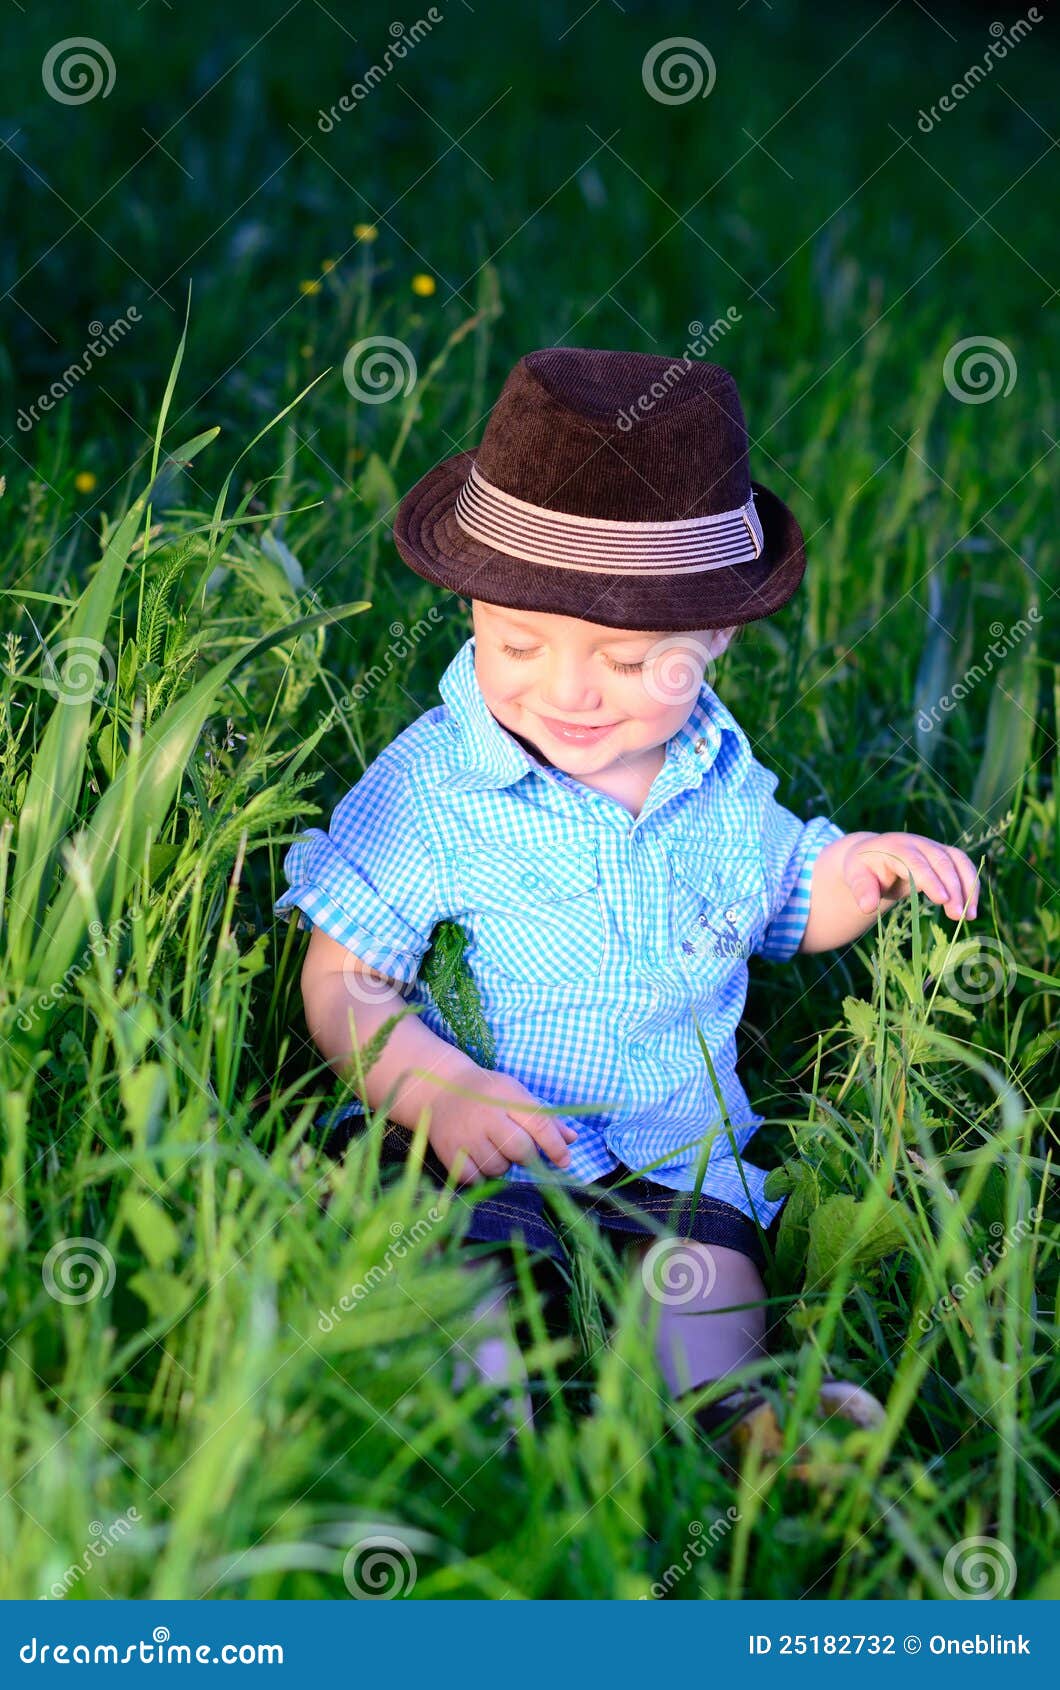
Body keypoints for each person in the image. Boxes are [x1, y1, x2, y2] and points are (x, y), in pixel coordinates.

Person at [273, 347, 979, 1443]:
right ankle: (481, 1421)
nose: (565, 688)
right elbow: (344, 978)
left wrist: (866, 869)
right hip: (487, 1140)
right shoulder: (431, 787)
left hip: (672, 1149)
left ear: (715, 638)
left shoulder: (722, 782)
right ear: (469, 608)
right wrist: (436, 1088)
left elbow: (794, 896)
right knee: (470, 1277)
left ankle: (734, 1420)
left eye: (622, 656)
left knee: (703, 1281)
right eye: (517, 642)